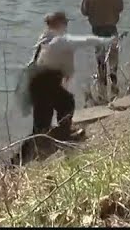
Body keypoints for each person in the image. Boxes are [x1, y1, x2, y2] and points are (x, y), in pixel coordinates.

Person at [24, 12, 116, 156]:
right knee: (58, 108)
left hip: (40, 83)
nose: (66, 26)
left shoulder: (45, 37)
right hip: (44, 84)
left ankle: (50, 139)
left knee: (56, 108)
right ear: (59, 24)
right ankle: (41, 146)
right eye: (65, 23)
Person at [80, 0, 123, 89]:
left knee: (100, 53)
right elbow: (120, 8)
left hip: (97, 27)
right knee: (113, 51)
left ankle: (102, 77)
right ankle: (113, 74)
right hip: (111, 25)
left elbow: (84, 11)